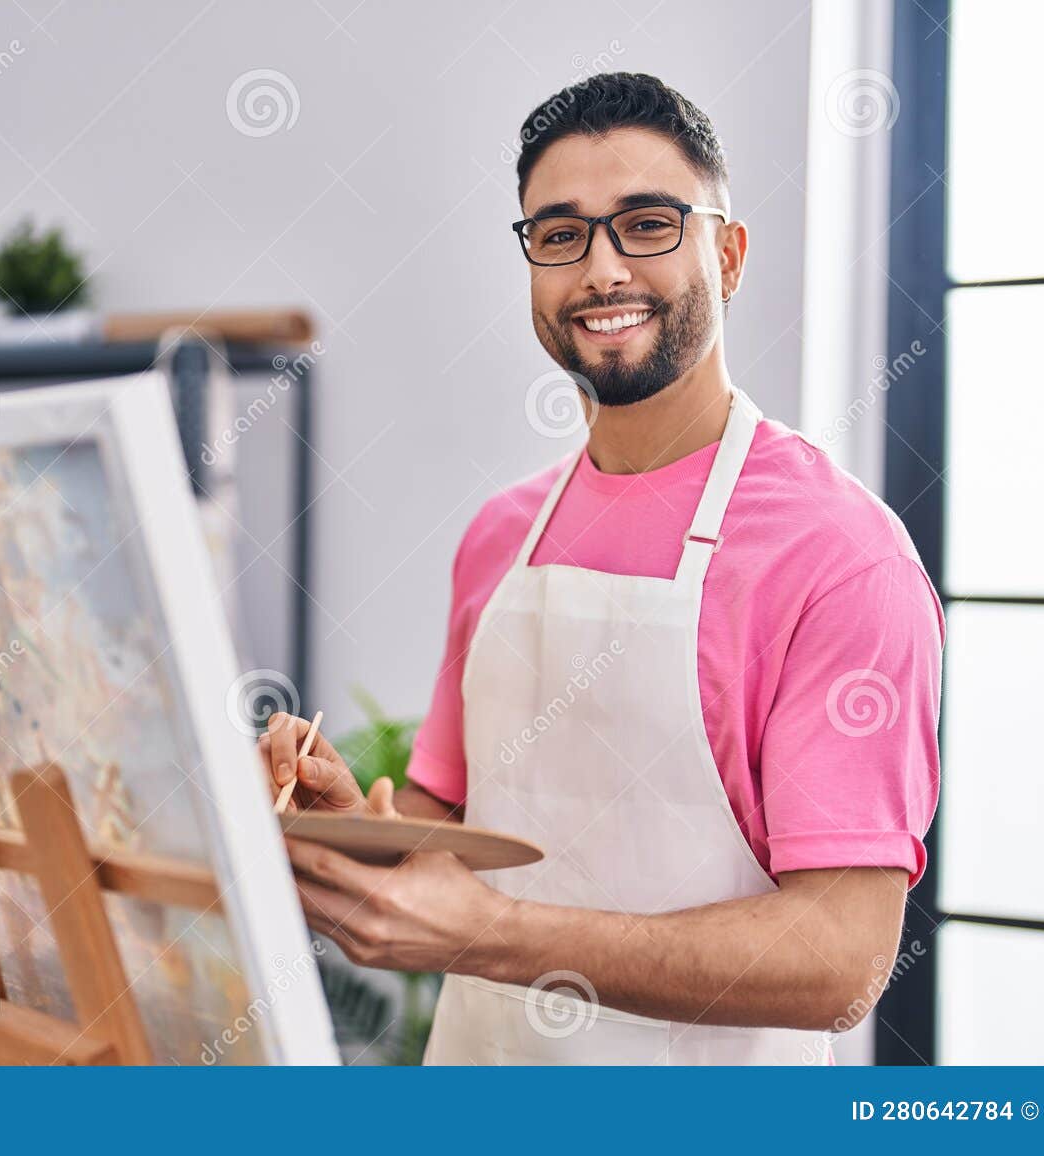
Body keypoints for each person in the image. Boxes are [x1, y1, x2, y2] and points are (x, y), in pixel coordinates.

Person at [261, 71, 943, 1065]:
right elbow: (448, 826)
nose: (602, 268)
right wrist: (344, 829)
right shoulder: (502, 535)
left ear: (729, 251)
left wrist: (491, 934)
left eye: (648, 223)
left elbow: (840, 961)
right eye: (559, 234)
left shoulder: (838, 557)